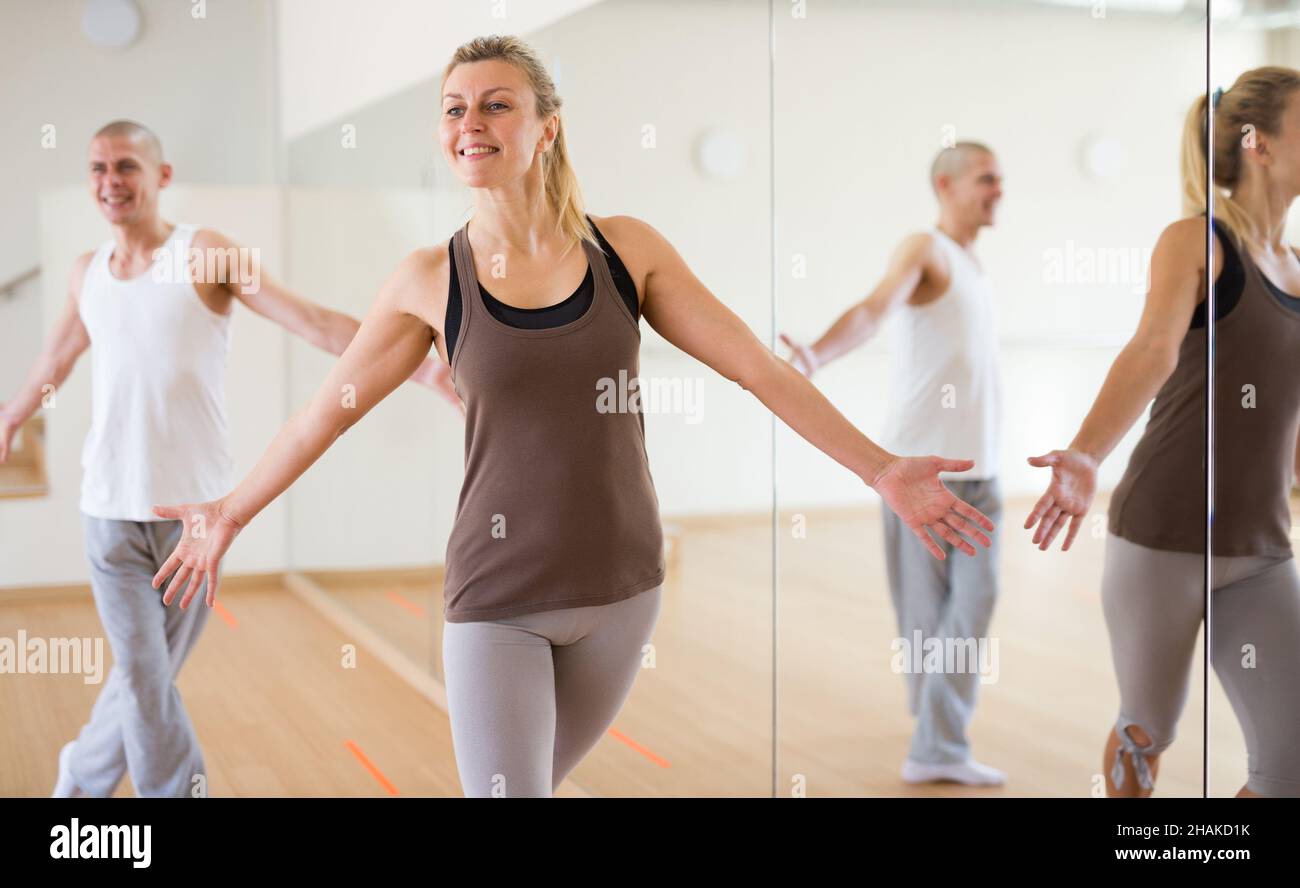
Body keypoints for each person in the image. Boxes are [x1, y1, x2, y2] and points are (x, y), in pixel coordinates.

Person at [148, 35, 996, 799]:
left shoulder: (629, 252)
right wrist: (228, 511)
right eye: (453, 109)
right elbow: (319, 418)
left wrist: (880, 468)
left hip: (625, 592)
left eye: (495, 104)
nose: (468, 123)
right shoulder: (426, 280)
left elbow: (760, 372)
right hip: (498, 599)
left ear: (546, 127)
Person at [0, 120, 455, 799]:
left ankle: (78, 776)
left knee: (144, 677)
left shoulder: (206, 253)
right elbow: (57, 358)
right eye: (98, 168)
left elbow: (310, 320)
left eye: (126, 166)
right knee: (143, 675)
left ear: (162, 176)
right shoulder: (85, 272)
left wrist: (418, 367)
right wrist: (10, 417)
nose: (110, 181)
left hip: (197, 520)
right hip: (108, 511)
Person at [1027, 69, 1300, 798]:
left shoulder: (1299, 270)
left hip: (1263, 550)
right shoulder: (1197, 243)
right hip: (1161, 538)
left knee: (1291, 765)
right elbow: (1152, 350)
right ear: (1260, 145)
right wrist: (1085, 454)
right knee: (1150, 731)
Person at [779, 142, 1006, 786]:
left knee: (970, 608)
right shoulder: (924, 249)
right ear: (946, 183)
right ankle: (937, 742)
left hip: (983, 474)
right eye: (987, 180)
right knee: (929, 618)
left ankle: (935, 734)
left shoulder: (973, 266)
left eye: (1001, 181)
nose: (998, 191)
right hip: (924, 477)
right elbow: (874, 310)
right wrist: (817, 355)